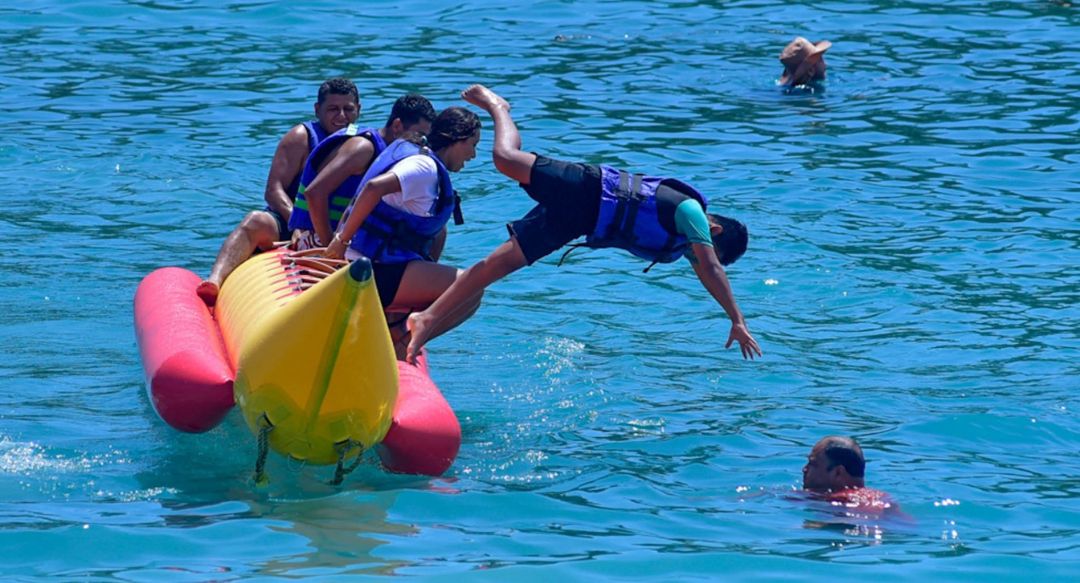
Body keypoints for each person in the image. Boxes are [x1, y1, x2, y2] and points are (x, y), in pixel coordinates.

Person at [404, 84, 761, 363]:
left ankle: (427, 319)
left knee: (496, 266)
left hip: (578, 223)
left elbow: (706, 271)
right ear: (713, 231)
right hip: (587, 189)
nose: (696, 258)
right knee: (504, 158)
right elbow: (711, 268)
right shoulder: (691, 213)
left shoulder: (685, 242)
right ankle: (499, 107)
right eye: (704, 250)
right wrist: (738, 319)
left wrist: (728, 316)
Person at [325, 106, 484, 359]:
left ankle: (394, 329)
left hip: (376, 265)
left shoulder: (420, 156)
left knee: (451, 279)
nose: (474, 154)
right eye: (473, 144)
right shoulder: (424, 167)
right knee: (472, 288)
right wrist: (339, 242)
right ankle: (401, 341)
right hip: (367, 271)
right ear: (456, 140)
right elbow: (373, 188)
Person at [196, 78, 360, 307]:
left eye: (348, 109)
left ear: (358, 110)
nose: (341, 116)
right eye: (333, 109)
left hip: (336, 232)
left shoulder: (363, 144)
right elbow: (274, 190)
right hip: (289, 222)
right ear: (317, 110)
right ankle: (215, 281)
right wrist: (297, 223)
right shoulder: (302, 137)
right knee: (256, 221)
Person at [288, 93, 437, 251]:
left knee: (437, 232)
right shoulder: (363, 149)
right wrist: (331, 249)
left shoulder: (391, 154)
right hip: (316, 237)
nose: (421, 143)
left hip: (347, 238)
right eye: (420, 135)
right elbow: (314, 193)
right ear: (397, 126)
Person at [802, 436, 896, 511]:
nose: (804, 469)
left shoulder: (840, 499)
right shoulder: (880, 496)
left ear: (838, 472)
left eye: (813, 464)